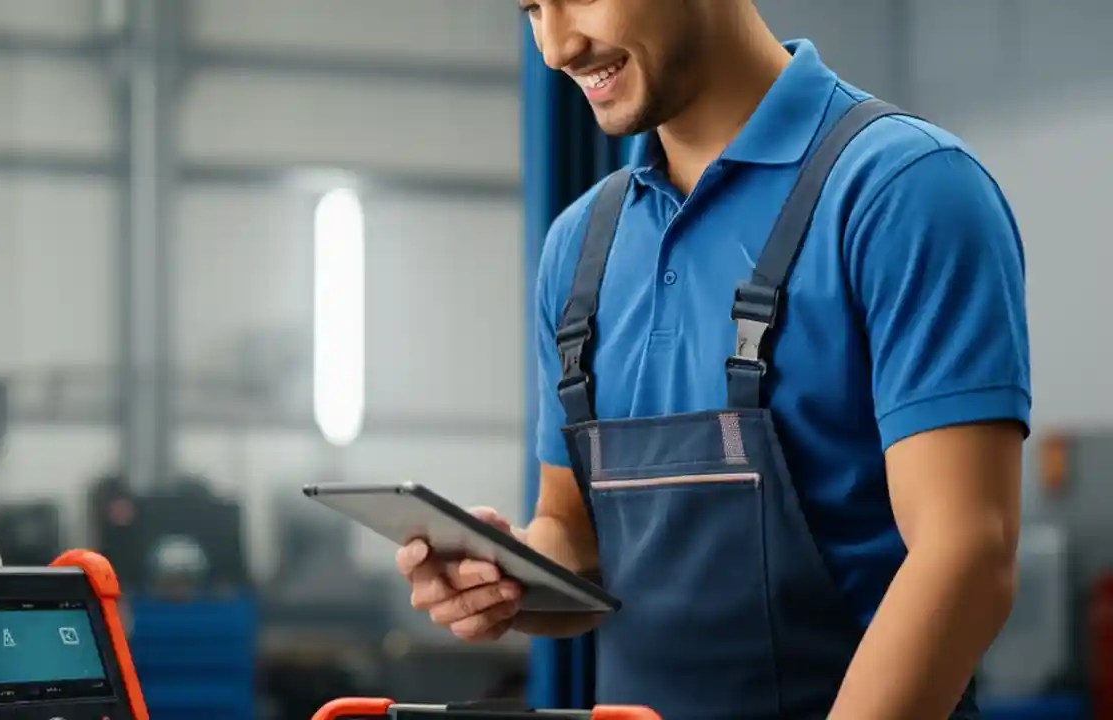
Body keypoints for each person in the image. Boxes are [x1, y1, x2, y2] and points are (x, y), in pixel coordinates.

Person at [397, 1, 1030, 718]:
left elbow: (968, 554)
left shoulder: (904, 191)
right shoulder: (580, 245)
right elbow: (577, 538)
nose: (556, 46)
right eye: (532, 9)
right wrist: (505, 576)